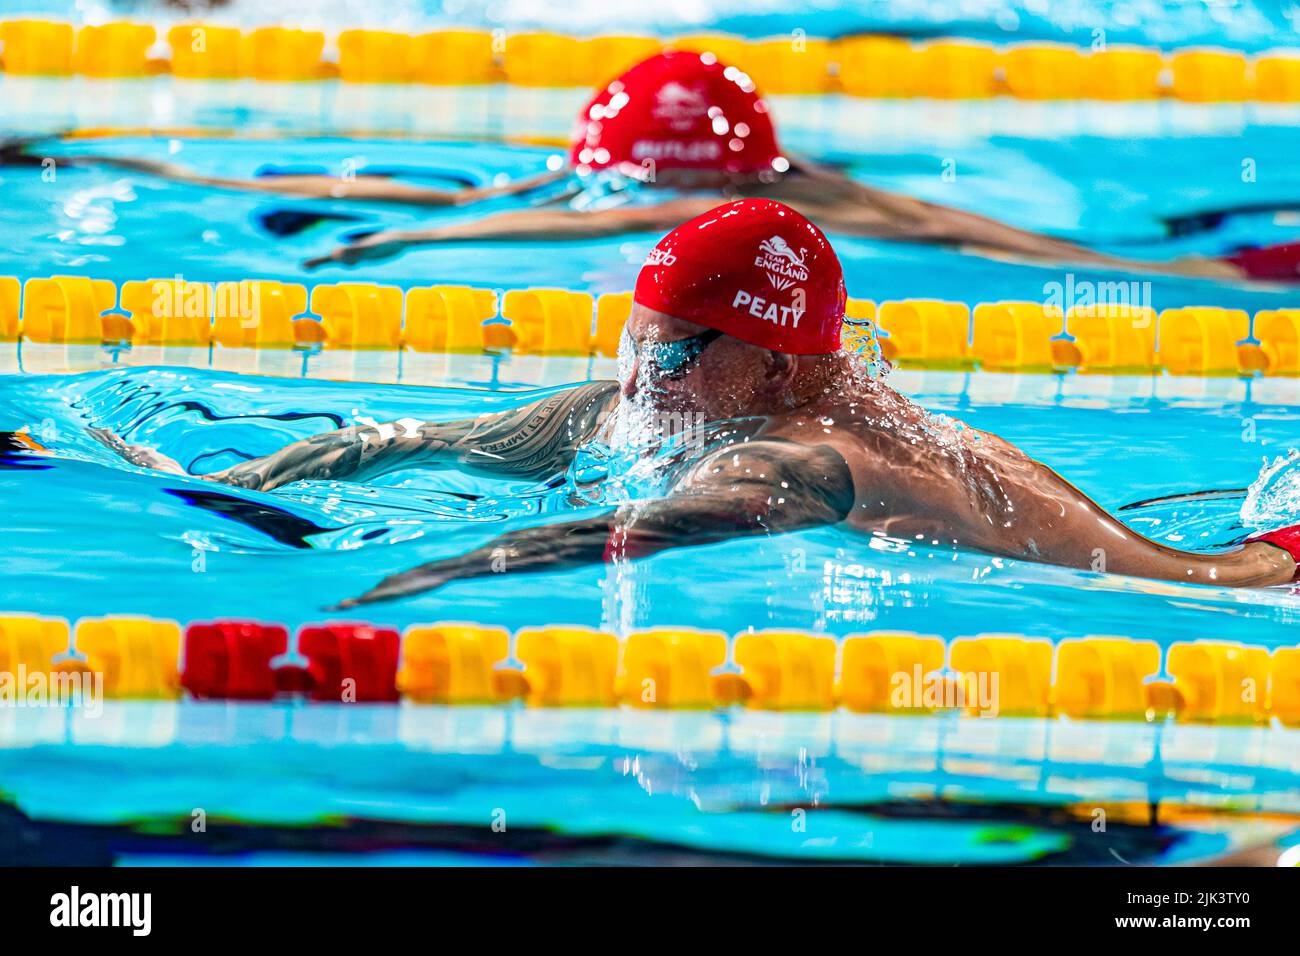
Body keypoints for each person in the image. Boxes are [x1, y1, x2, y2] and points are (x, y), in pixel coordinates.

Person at [89, 199, 1300, 608]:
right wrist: (270, 473)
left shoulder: (808, 458)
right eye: (637, 342)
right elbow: (432, 437)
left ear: (775, 365)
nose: (638, 381)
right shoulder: (720, 386)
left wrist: (414, 584)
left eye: (672, 358)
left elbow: (610, 537)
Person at [9, 52, 1298, 280]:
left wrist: (417, 247)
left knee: (435, 198)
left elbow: (550, 212)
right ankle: (100, 148)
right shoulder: (817, 190)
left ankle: (91, 149)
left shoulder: (770, 198)